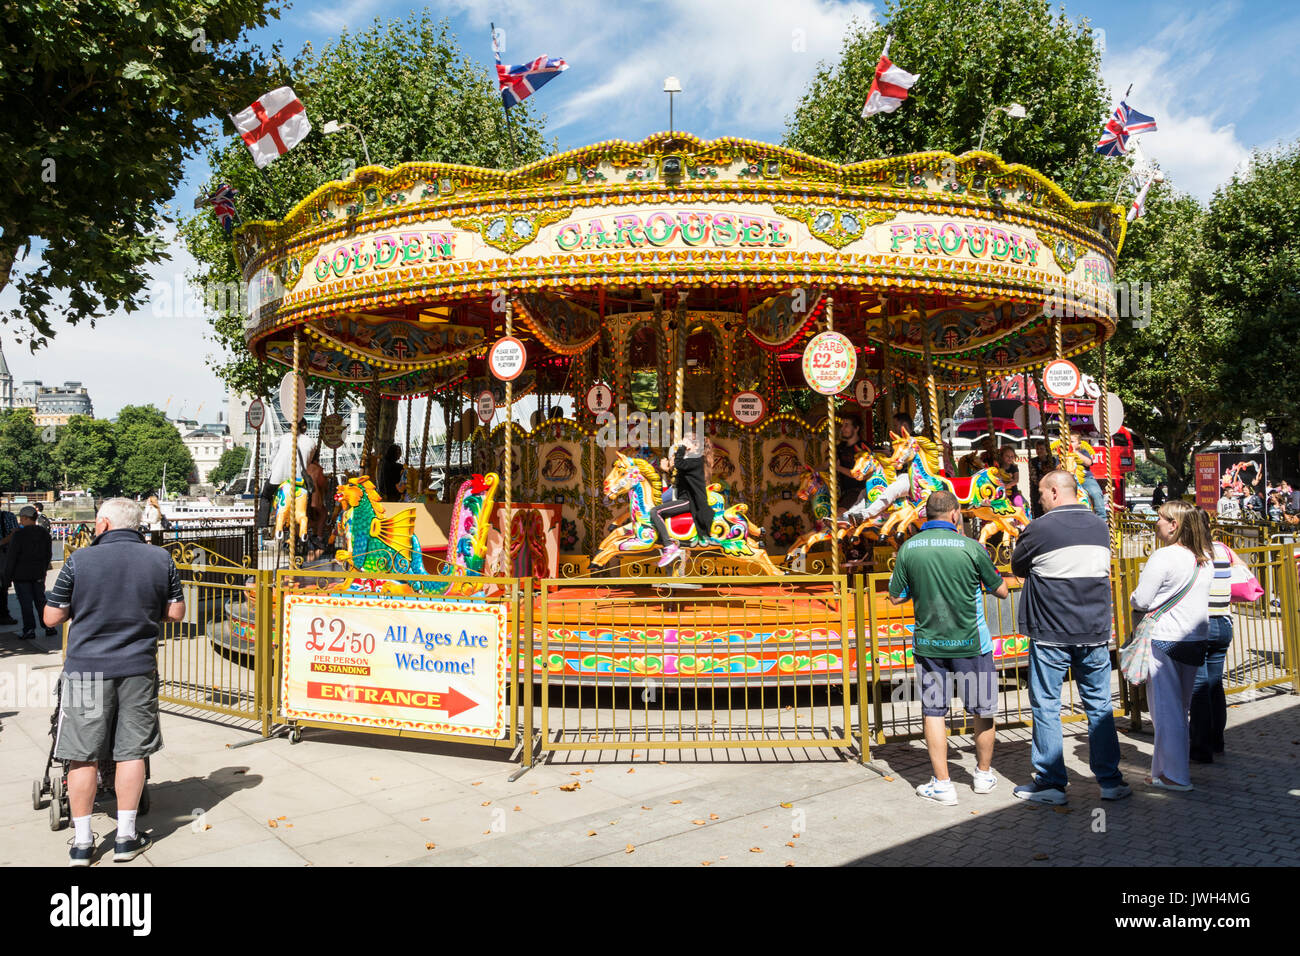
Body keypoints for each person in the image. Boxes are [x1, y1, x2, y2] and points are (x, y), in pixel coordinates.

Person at [44, 498, 185, 865]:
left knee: (81, 755)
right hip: (138, 669)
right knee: (132, 751)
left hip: (87, 670)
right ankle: (125, 837)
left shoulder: (79, 560)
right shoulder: (161, 559)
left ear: (104, 524)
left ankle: (82, 842)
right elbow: (176, 612)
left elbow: (50, 617)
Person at [1010, 470, 1131, 804]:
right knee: (1100, 705)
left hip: (1052, 632)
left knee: (1047, 705)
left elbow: (1018, 566)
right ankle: (1110, 780)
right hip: (1093, 631)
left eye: (1039, 493)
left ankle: (1050, 783)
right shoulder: (1099, 526)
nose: (1037, 499)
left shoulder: (1040, 527)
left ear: (1053, 492)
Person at [888, 489, 1009, 805]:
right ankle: (982, 775)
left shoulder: (909, 549)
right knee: (982, 710)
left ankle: (943, 784)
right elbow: (1002, 591)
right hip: (972, 643)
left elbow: (896, 596)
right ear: (955, 514)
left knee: (934, 711)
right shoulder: (971, 547)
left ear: (925, 515)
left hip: (930, 645)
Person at [1130, 498, 1212, 791]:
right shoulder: (1203, 557)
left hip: (1164, 639)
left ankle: (1176, 776)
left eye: (1160, 517)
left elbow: (1141, 599)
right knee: (1179, 708)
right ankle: (1162, 771)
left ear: (1174, 525)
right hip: (1195, 639)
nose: (1156, 522)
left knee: (1167, 712)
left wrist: (1133, 601)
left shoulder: (1163, 557)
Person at [1190, 510, 1244, 764]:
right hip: (1223, 621)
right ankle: (1217, 741)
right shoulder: (1223, 549)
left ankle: (1200, 747)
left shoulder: (1192, 553)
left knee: (1199, 688)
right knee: (1214, 685)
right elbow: (1242, 570)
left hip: (1201, 624)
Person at [651, 431, 713, 567]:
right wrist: (666, 469)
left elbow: (679, 464)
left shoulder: (696, 460)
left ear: (695, 446)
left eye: (686, 442)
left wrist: (681, 448)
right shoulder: (692, 460)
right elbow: (679, 477)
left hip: (688, 500)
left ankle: (669, 546)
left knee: (655, 511)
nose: (682, 445)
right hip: (684, 497)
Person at [5, 506, 56, 640]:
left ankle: (29, 629)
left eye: (21, 518)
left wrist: (7, 578)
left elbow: (12, 557)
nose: (20, 521)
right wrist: (43, 569)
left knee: (26, 603)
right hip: (38, 573)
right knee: (41, 601)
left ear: (25, 518)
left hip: (21, 575)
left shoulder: (18, 535)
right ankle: (48, 626)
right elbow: (48, 554)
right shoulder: (44, 533)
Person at [256, 420, 318, 528]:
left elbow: (272, 459)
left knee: (266, 496)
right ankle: (308, 521)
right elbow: (310, 461)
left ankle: (262, 524)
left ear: (291, 426)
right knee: (308, 497)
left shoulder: (282, 438)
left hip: (278, 476)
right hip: (298, 478)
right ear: (305, 428)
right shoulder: (311, 442)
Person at [1051, 432, 1105, 518]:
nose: (1069, 444)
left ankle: (1102, 517)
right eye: (1067, 441)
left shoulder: (1083, 451)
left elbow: (1089, 462)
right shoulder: (1061, 454)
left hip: (1085, 478)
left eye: (1072, 441)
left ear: (1079, 444)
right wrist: (1064, 462)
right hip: (1068, 479)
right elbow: (1057, 468)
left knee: (1095, 492)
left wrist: (1076, 452)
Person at [834, 415, 870, 513]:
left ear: (856, 428)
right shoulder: (840, 448)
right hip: (844, 492)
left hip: (859, 491)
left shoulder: (863, 448)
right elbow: (827, 464)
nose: (842, 428)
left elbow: (858, 474)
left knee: (837, 516)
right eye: (842, 425)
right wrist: (812, 469)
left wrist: (838, 467)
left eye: (846, 425)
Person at [1026, 440, 1057, 519]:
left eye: (1041, 449)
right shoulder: (1033, 461)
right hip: (1037, 486)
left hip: (1048, 486)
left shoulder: (1052, 460)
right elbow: (1033, 476)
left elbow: (1053, 473)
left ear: (1046, 450)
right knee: (1037, 507)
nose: (1039, 451)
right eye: (1037, 449)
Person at [0, 504, 19, 626]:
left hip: (3, 556)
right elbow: (15, 535)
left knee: (3, 587)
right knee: (3, 587)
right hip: (4, 555)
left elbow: (16, 536)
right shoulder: (9, 516)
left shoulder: (8, 516)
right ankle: (4, 615)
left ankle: (3, 614)